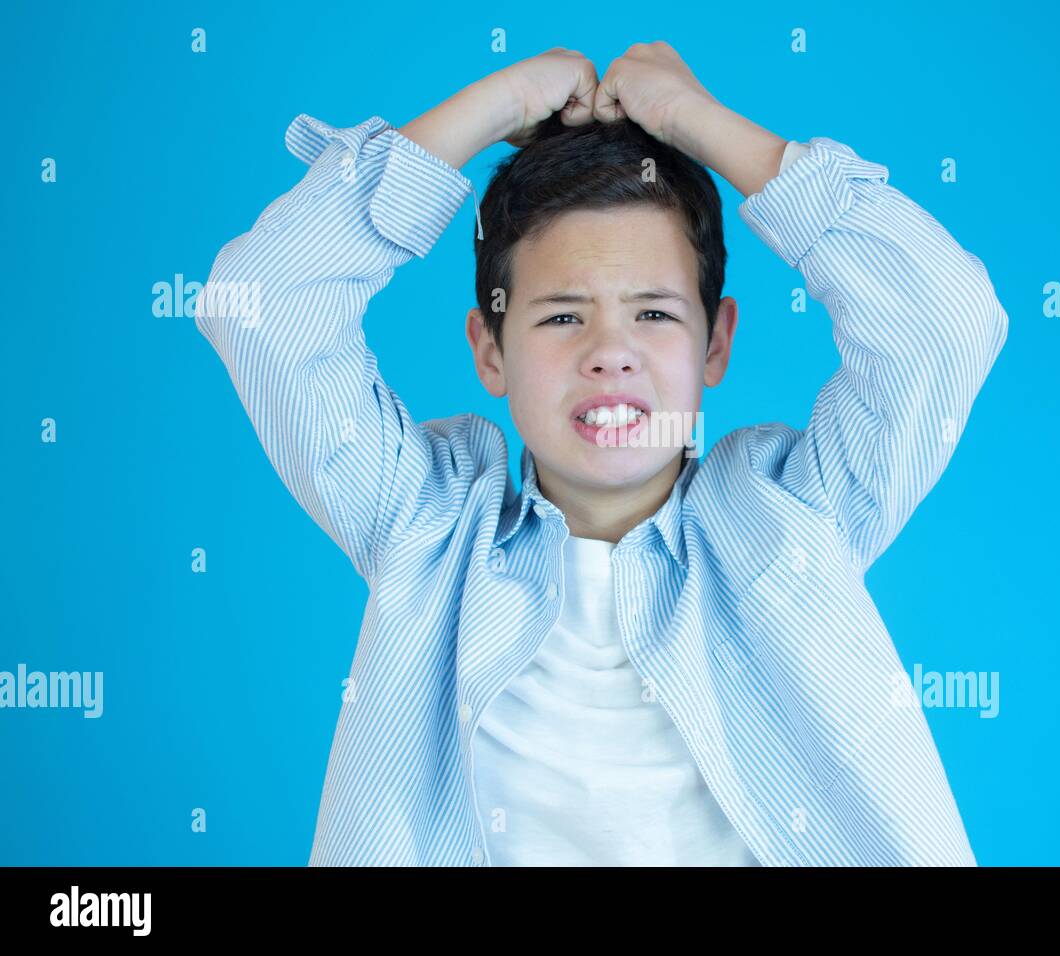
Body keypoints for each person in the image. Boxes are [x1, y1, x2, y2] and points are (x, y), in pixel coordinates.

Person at [195, 41, 1009, 866]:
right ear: (491, 352)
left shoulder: (795, 518)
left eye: (654, 315)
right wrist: (500, 103)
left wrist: (701, 123)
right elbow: (259, 301)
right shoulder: (425, 528)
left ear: (716, 343)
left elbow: (943, 320)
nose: (610, 352)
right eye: (560, 317)